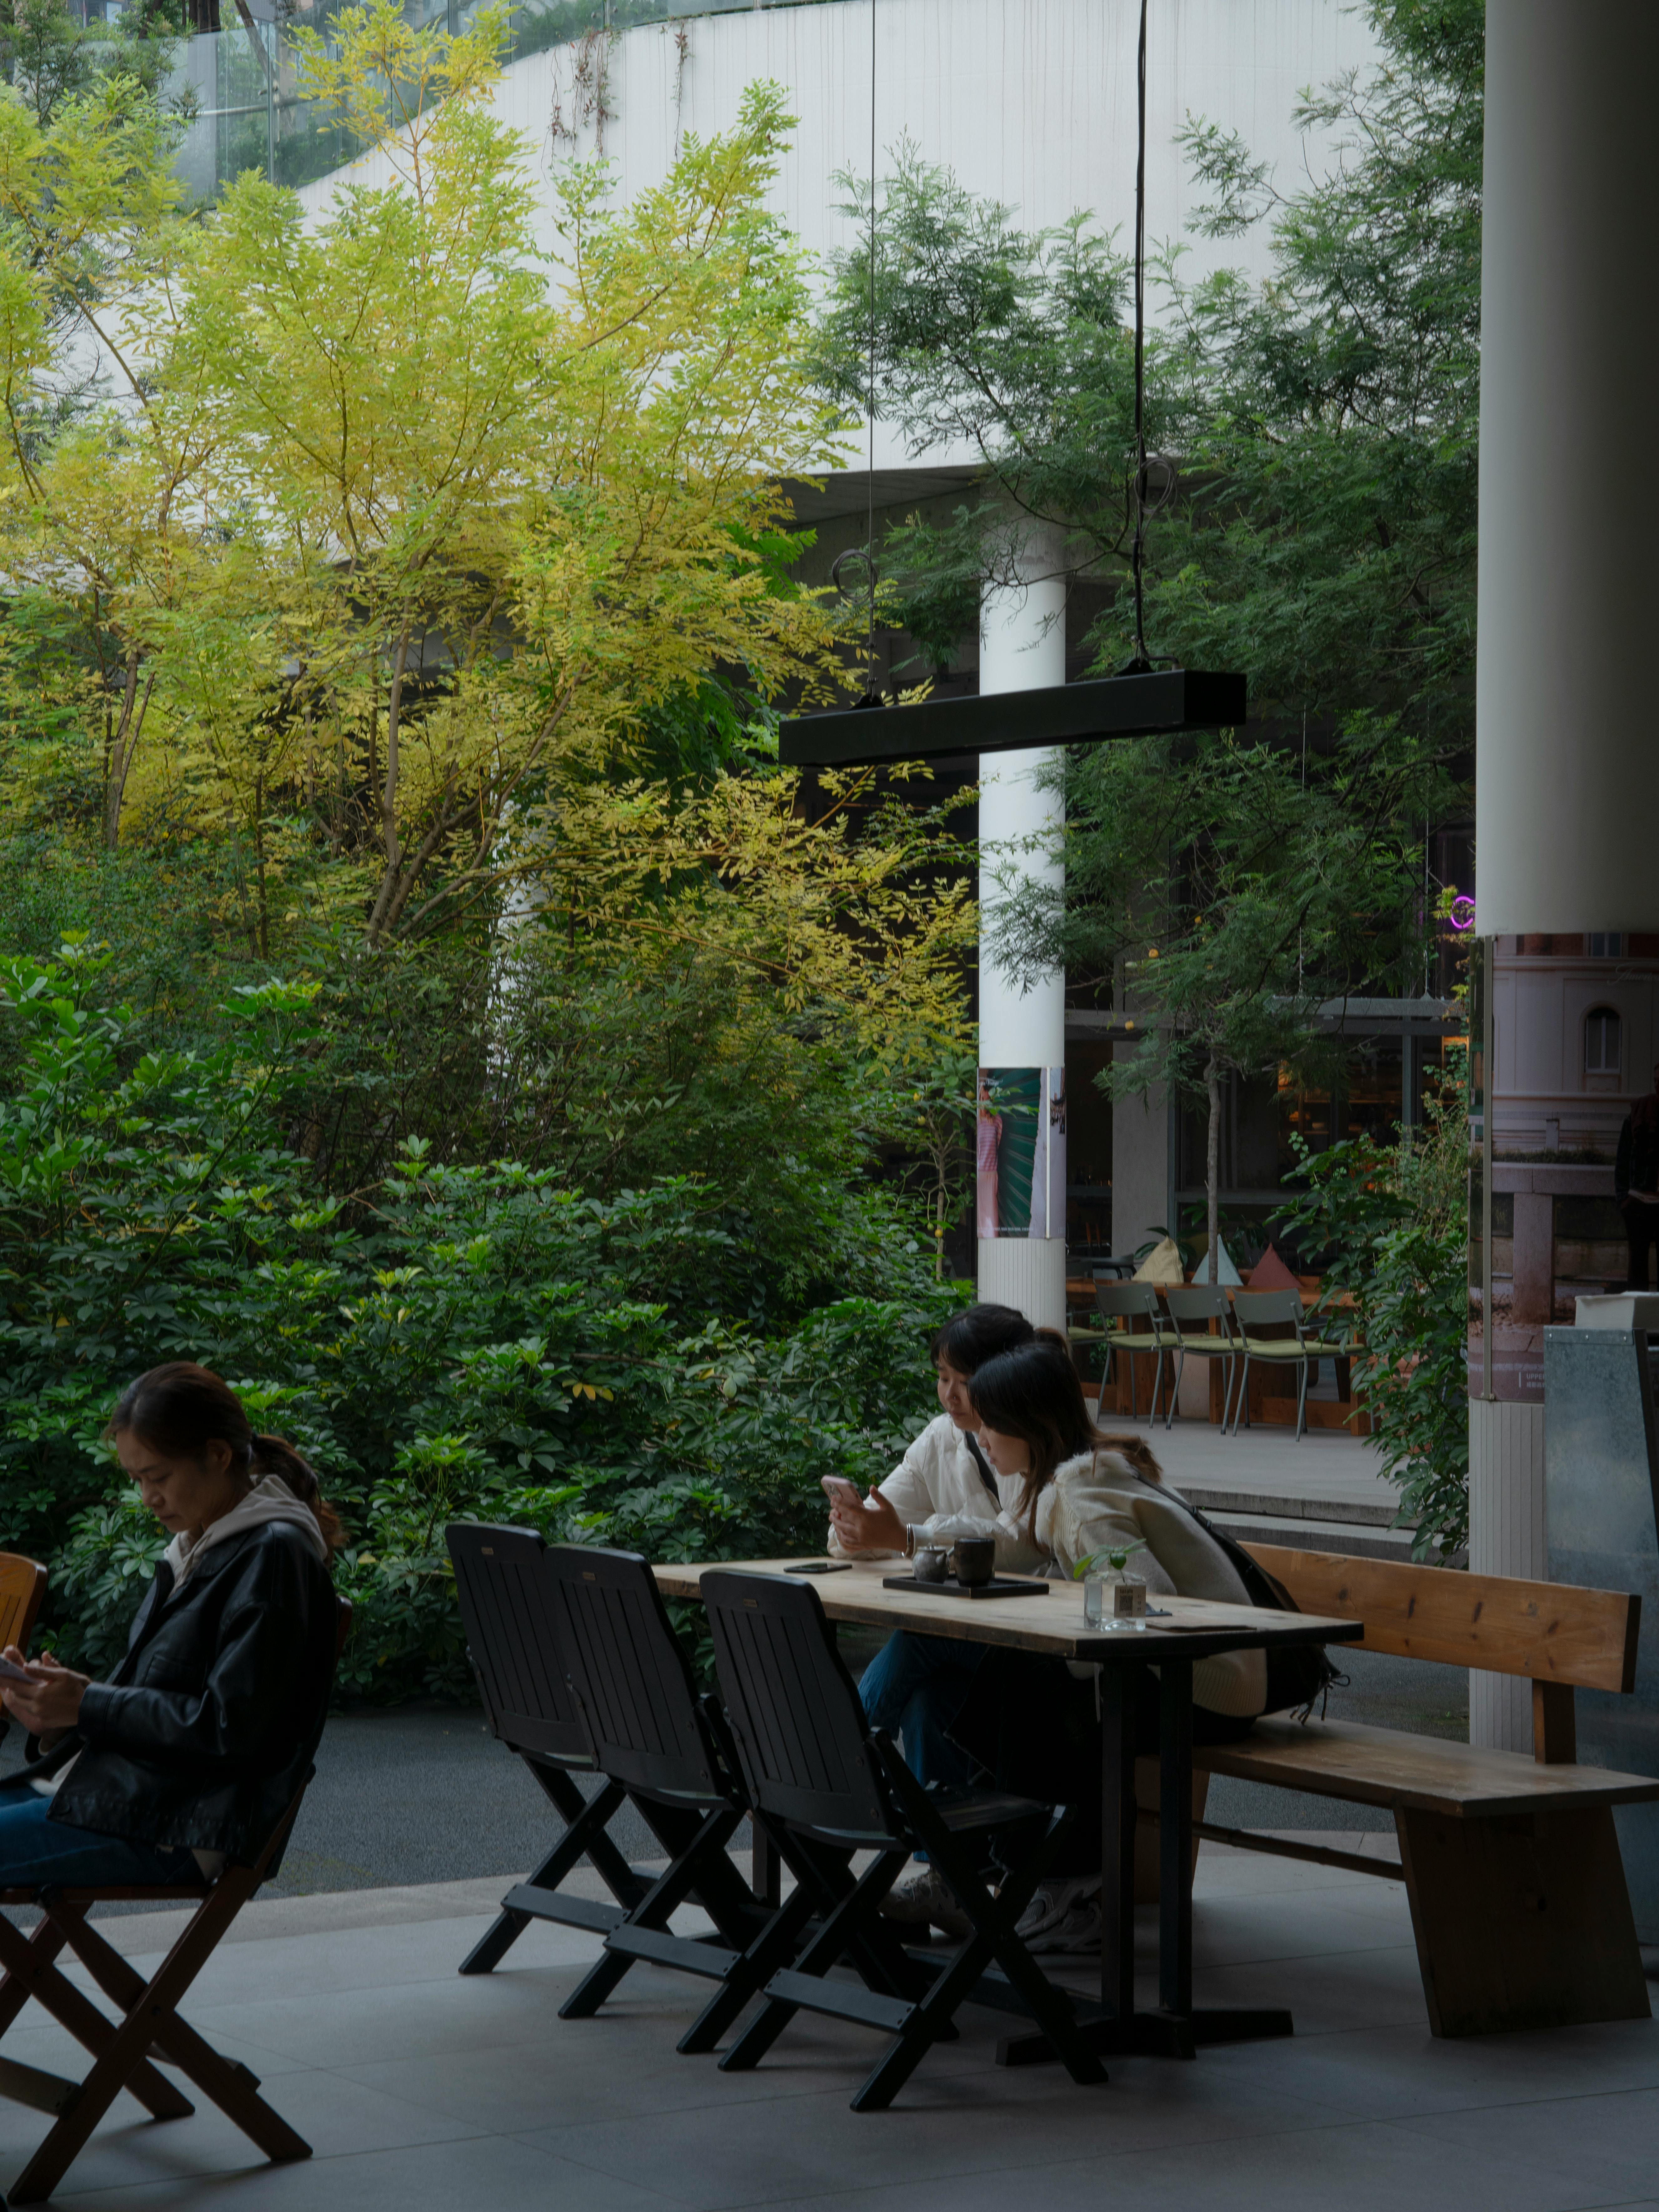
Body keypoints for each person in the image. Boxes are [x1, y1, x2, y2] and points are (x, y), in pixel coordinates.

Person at [952, 1338, 1270, 1956]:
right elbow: (1031, 1553)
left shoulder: (1079, 1493)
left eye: (989, 1420)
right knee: (1020, 1672)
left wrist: (1067, 1630)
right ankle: (1015, 1873)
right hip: (1203, 1674)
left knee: (1028, 1679)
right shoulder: (1081, 1475)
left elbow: (1148, 1602)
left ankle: (1052, 1885)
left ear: (1028, 1423)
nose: (980, 1434)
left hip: (1207, 1684)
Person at [0, 1362, 341, 1888]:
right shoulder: (198, 1549)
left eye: (158, 1477)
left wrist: (89, 1704)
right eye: (137, 1480)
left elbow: (231, 1730)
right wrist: (61, 1717)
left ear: (218, 1455)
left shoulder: (274, 1556)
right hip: (127, 1796)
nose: (148, 1498)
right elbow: (161, 1701)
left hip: (179, 1823)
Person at [826, 1304, 1043, 1936]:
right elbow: (867, 1528)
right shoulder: (939, 1439)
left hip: (1041, 1651)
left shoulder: (1035, 1435)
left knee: (920, 1640)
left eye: (964, 1379)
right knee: (928, 1702)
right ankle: (951, 1880)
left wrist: (907, 1537)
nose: (950, 1394)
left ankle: (833, 1767)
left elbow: (1018, 1540)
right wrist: (856, 1527)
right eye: (942, 1376)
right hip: (976, 1648)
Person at [1615, 1064, 1659, 1289]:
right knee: (1637, 1272)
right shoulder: (1637, 1114)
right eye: (1656, 1080)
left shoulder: (1639, 1113)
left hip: (1644, 1202)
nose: (1658, 1085)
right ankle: (1640, 1311)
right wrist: (1624, 1199)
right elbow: (1622, 1160)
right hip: (1638, 1203)